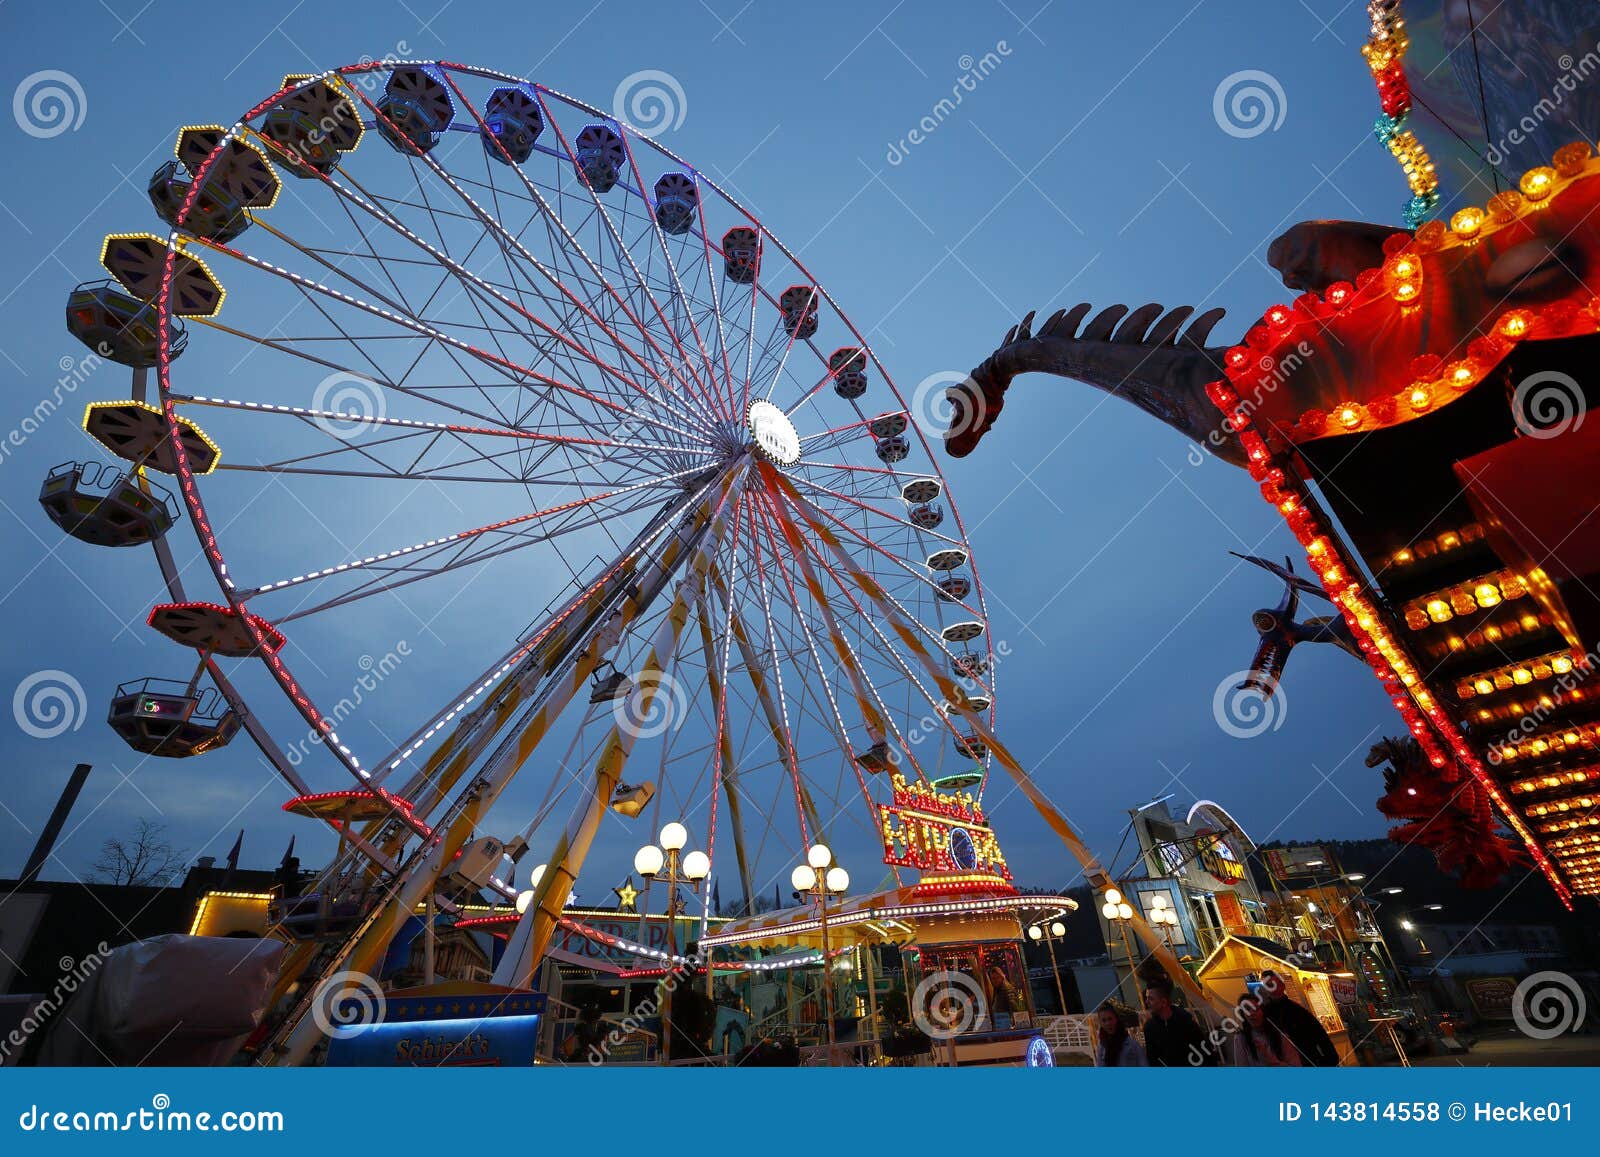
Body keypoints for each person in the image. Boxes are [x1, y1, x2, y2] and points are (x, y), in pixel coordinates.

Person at [1259, 969, 1340, 1066]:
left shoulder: (1297, 1011)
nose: (1270, 989)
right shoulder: (1264, 1014)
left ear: (1282, 985)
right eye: (1267, 986)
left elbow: (1319, 1034)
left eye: (1272, 985)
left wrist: (1329, 1059)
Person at [1141, 981, 1219, 1066]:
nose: (1146, 1002)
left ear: (1163, 1002)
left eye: (1151, 999)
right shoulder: (1149, 1028)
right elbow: (1153, 1059)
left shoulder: (1185, 1020)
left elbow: (1203, 1047)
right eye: (1146, 998)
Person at [1230, 998, 1301, 1066]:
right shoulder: (1241, 1039)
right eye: (1247, 1010)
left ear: (1263, 1012)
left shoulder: (1280, 1035)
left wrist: (1272, 1060)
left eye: (1256, 1009)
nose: (1252, 1013)